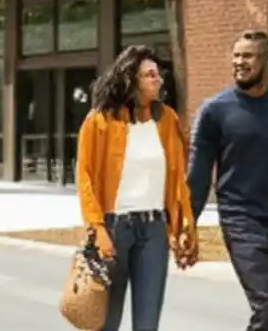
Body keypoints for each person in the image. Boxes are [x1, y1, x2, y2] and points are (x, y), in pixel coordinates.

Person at [186, 30, 268, 331]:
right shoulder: (214, 110)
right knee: (267, 307)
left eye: (248, 56)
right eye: (236, 55)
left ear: (267, 61)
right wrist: (186, 225)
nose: (239, 62)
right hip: (240, 222)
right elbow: (199, 175)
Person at [76, 45, 199, 331]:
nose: (157, 80)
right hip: (115, 228)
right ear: (130, 80)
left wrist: (183, 226)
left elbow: (178, 179)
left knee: (147, 324)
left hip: (154, 230)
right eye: (149, 75)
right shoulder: (100, 121)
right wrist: (97, 229)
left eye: (158, 74)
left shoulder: (168, 120)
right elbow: (85, 178)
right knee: (106, 322)